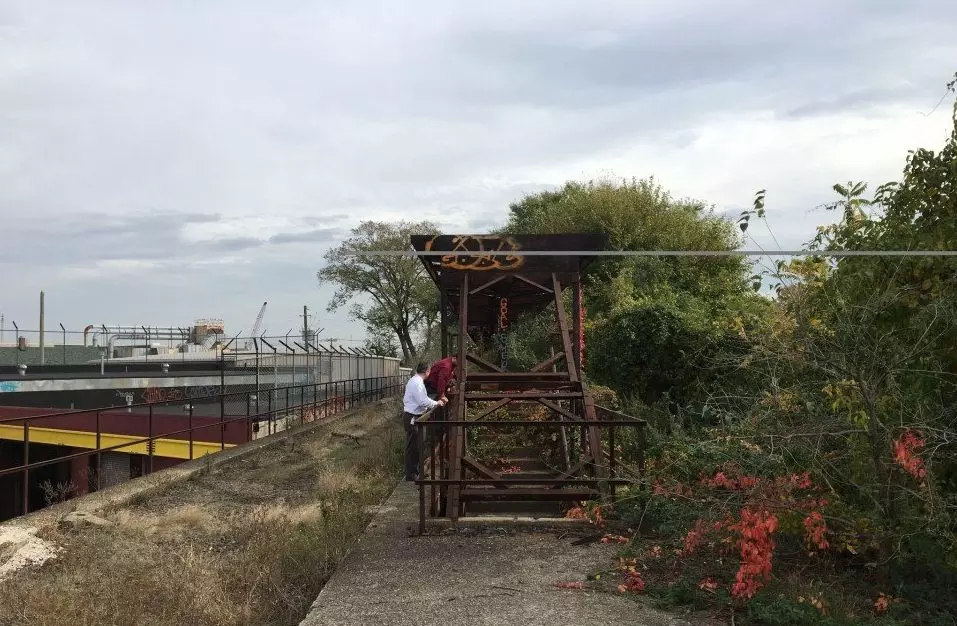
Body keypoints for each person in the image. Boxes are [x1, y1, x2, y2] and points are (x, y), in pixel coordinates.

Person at [402, 362, 447, 481]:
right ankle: (411, 474)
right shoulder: (417, 383)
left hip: (414, 416)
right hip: (413, 417)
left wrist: (433, 402)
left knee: (416, 446)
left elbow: (423, 399)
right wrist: (436, 403)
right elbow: (422, 401)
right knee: (413, 447)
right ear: (427, 371)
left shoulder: (415, 381)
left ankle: (415, 472)